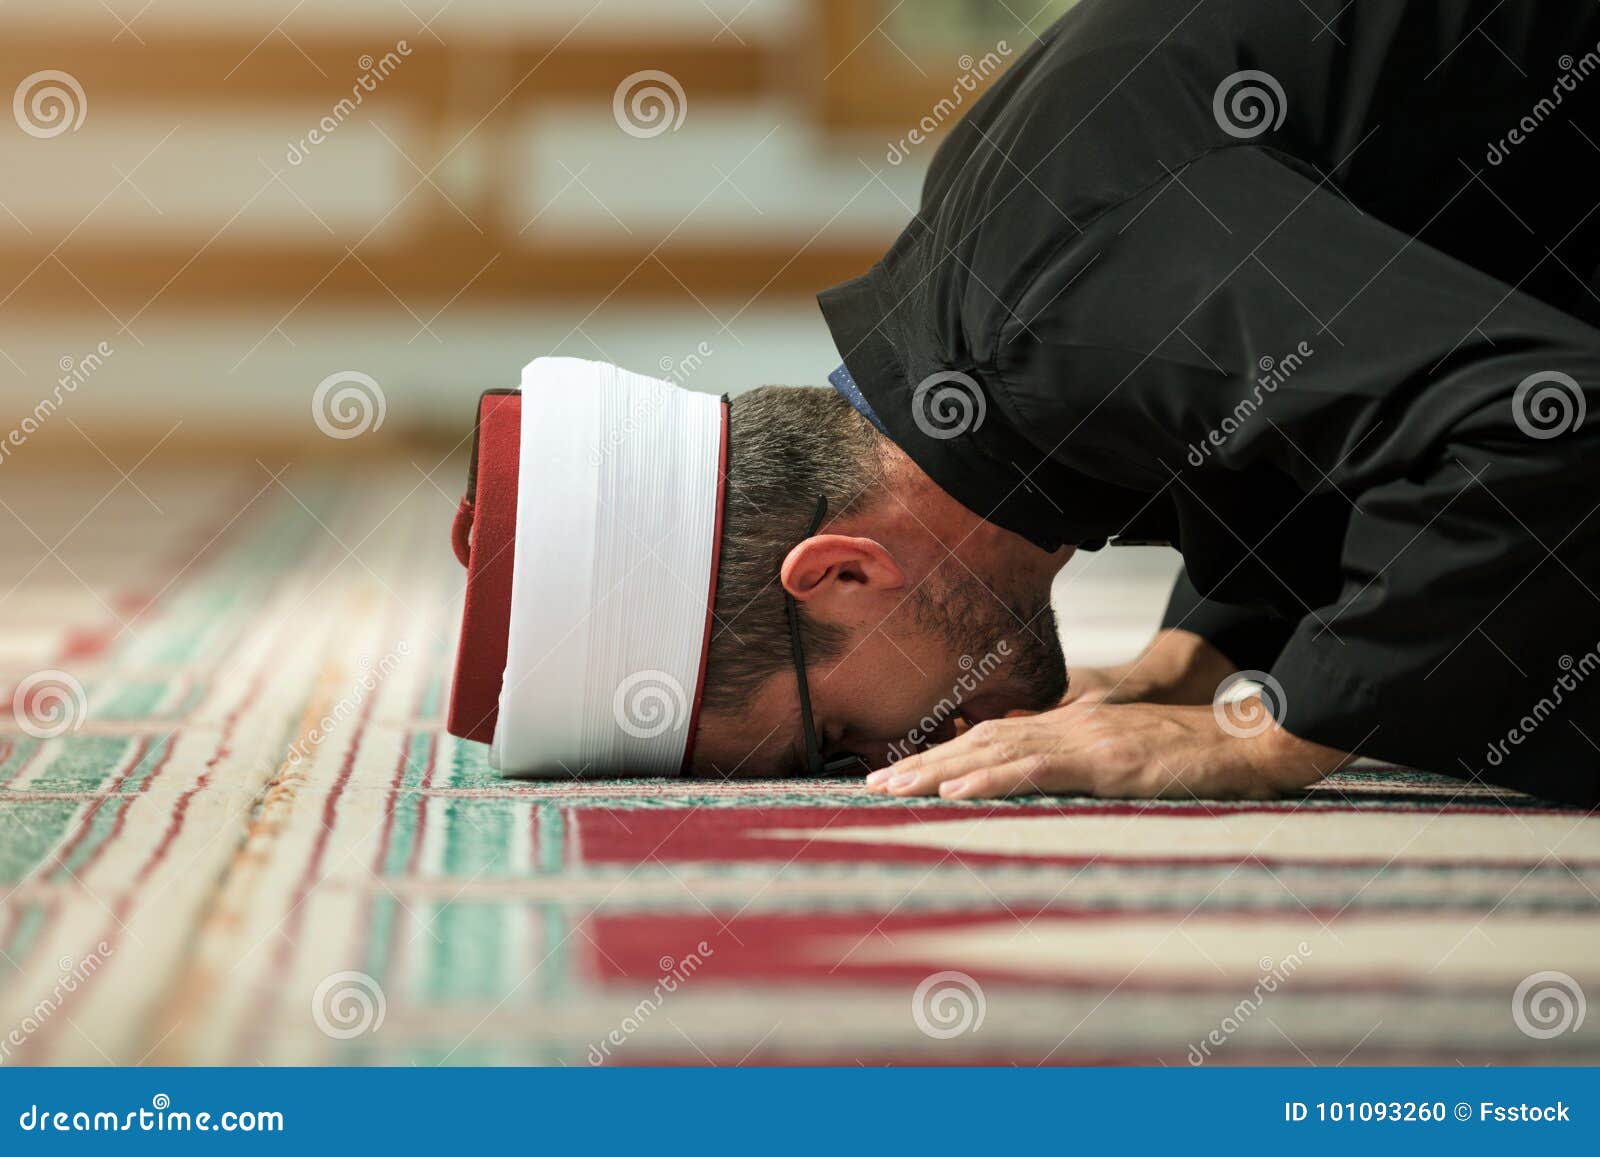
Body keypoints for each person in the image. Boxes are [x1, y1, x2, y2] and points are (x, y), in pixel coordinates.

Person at [688, 0, 1600, 805]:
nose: (898, 756)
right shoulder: (990, 303)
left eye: (837, 739)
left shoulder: (1066, 293)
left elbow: (1538, 416)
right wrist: (1203, 657)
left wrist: (1270, 733)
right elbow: (1319, 390)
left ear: (841, 573)